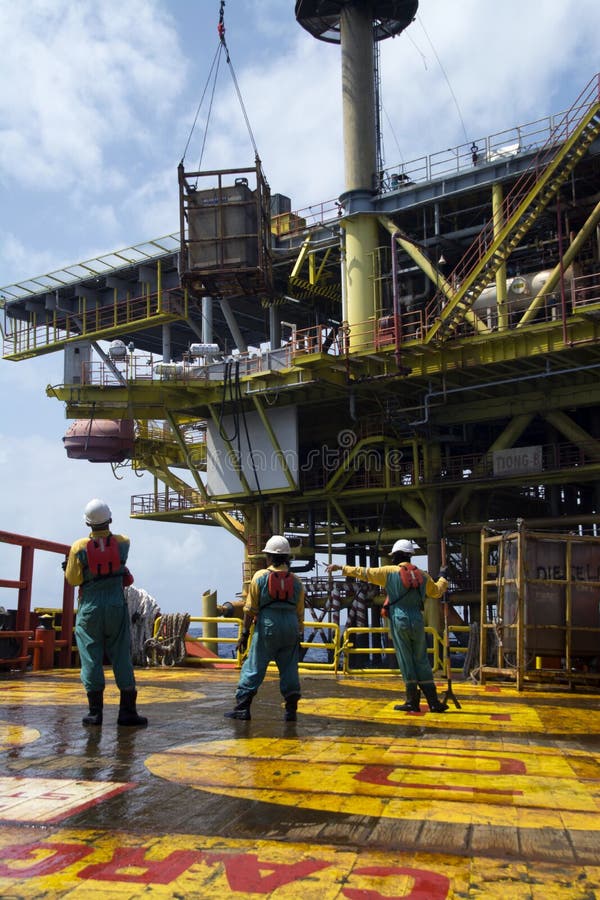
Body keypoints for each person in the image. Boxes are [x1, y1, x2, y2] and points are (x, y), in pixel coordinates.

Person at [326, 539, 449, 713]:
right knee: (421, 659)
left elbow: (364, 572)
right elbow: (436, 591)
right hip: (417, 618)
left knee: (406, 659)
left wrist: (340, 567)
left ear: (396, 556)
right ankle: (434, 701)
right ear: (410, 556)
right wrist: (443, 576)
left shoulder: (389, 572)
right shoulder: (423, 575)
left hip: (400, 618)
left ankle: (412, 701)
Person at [64, 498, 147, 728]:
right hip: (115, 604)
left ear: (87, 523)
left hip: (90, 606)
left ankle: (95, 714)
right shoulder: (124, 542)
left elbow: (73, 579)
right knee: (121, 653)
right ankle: (127, 712)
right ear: (110, 518)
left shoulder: (79, 547)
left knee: (90, 656)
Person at [225, 535, 305, 721]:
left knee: (254, 665)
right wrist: (299, 634)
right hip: (291, 626)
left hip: (268, 625)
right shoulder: (296, 581)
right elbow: (300, 611)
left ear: (268, 557)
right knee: (289, 668)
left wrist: (244, 634)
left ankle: (242, 709)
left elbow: (250, 609)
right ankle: (291, 711)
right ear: (287, 558)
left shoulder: (260, 577)